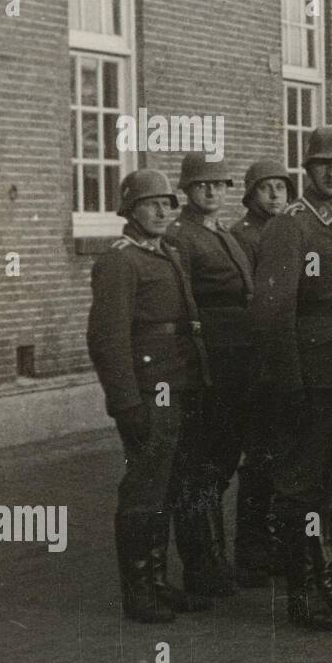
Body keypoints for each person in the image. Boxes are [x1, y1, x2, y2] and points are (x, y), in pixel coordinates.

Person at [253, 124, 332, 631]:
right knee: (302, 487)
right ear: (308, 169)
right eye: (324, 163)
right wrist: (289, 382)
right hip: (312, 376)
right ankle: (303, 593)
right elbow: (272, 312)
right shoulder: (291, 225)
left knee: (330, 484)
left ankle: (324, 581)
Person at [87, 169, 212, 623]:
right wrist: (124, 403)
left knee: (165, 486)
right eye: (150, 203)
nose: (162, 211)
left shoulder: (166, 253)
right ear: (130, 210)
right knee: (144, 489)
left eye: (167, 203)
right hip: (148, 391)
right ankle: (139, 592)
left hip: (177, 385)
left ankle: (158, 581)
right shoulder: (120, 261)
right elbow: (108, 339)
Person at [165, 154, 255, 600]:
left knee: (219, 465)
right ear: (186, 190)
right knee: (199, 468)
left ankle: (215, 557)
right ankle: (203, 564)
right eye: (202, 185)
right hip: (207, 365)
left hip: (236, 364)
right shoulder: (181, 237)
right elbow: (183, 305)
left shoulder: (224, 233)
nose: (211, 192)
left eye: (219, 185)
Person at [228, 158, 296, 585]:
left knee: (282, 454)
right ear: (251, 194)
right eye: (266, 188)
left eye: (281, 188)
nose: (274, 195)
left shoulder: (285, 230)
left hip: (282, 353)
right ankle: (252, 547)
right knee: (260, 457)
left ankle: (272, 539)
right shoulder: (244, 235)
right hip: (258, 359)